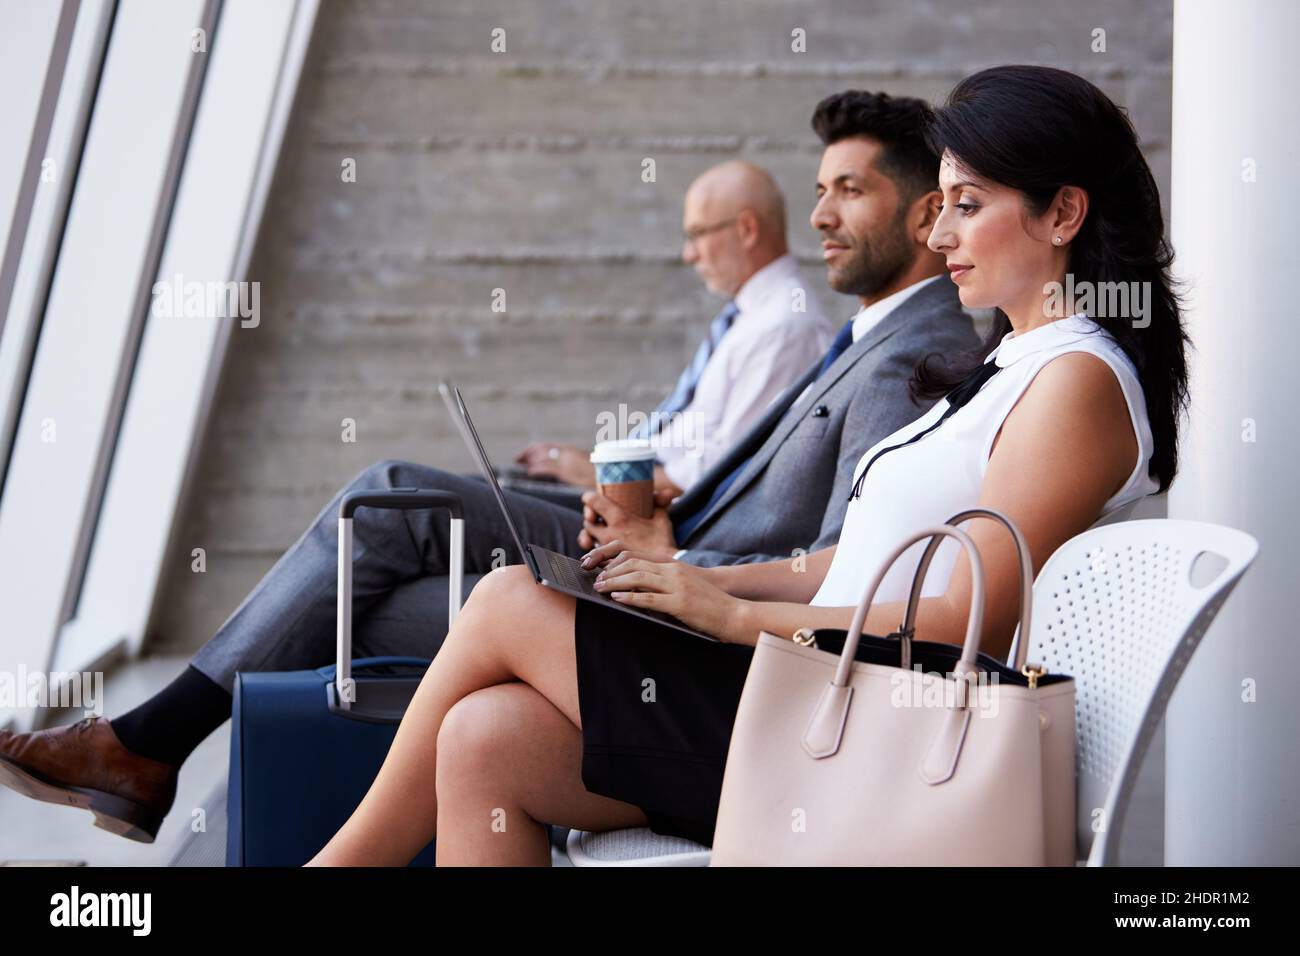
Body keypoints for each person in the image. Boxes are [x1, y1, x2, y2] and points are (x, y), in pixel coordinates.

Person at [0, 90, 978, 844]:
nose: (821, 215)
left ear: (928, 212)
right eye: (818, 190)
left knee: (380, 529)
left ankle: (151, 745)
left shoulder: (905, 354)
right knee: (367, 566)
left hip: (690, 594)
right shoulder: (870, 336)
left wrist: (671, 550)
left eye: (850, 190)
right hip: (664, 552)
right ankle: (150, 752)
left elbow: (844, 554)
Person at [304, 64, 1190, 865]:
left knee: (504, 600)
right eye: (943, 201)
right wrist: (682, 572)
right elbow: (846, 564)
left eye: (969, 204)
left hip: (879, 741)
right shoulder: (1011, 363)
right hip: (832, 704)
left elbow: (963, 620)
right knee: (483, 738)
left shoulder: (1075, 380)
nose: (941, 228)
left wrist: (727, 616)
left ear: (1063, 213)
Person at [515, 160, 834, 496]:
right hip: (641, 500)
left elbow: (724, 471)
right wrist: (602, 466)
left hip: (665, 521)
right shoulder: (753, 317)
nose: (688, 254)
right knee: (483, 494)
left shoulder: (784, 326)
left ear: (746, 230)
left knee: (466, 504)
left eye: (697, 234)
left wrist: (598, 475)